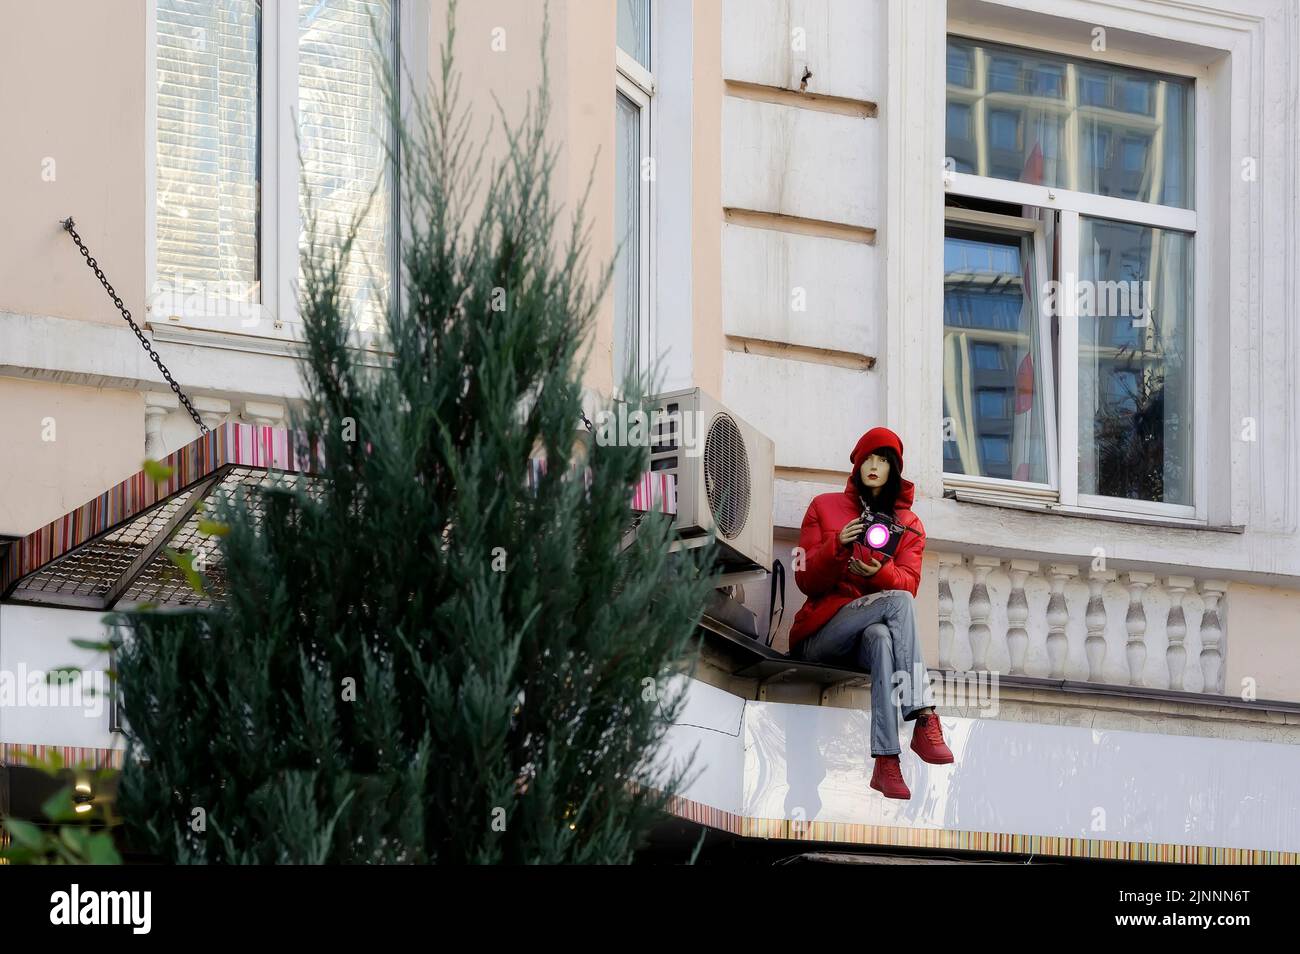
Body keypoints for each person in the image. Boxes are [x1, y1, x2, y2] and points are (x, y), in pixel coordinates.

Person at [788, 426, 953, 800]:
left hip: (865, 638)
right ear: (858, 463)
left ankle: (886, 761)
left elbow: (908, 583)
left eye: (884, 461)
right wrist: (837, 545)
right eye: (869, 459)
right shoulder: (824, 506)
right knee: (897, 604)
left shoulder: (908, 524)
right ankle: (924, 715)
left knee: (881, 636)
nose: (875, 466)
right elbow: (804, 579)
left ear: (894, 470)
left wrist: (878, 573)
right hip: (821, 633)